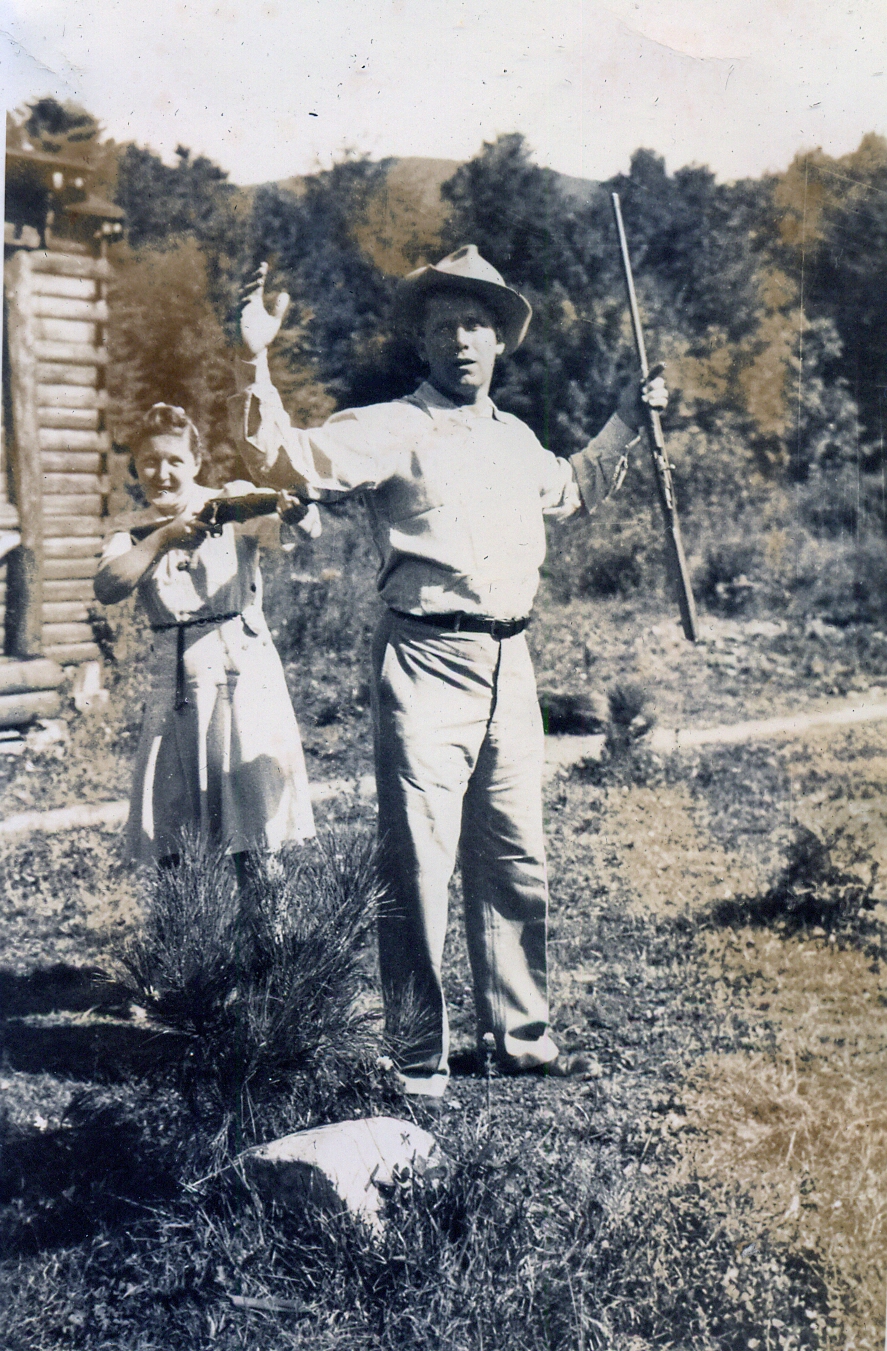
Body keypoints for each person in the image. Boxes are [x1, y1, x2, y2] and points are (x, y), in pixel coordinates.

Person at [231, 247, 668, 1097]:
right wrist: (253, 354)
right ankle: (416, 1058)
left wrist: (624, 418)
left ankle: (522, 1039)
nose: (461, 341)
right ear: (421, 343)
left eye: (476, 325)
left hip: (512, 659)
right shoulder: (393, 427)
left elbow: (572, 487)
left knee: (515, 859)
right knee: (417, 863)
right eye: (443, 327)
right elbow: (281, 460)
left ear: (500, 340)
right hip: (425, 657)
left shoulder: (514, 438)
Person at [94, 401, 319, 872]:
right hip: (172, 689)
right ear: (136, 466)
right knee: (173, 847)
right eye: (149, 461)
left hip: (241, 676)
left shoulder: (230, 501)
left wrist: (291, 507)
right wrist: (164, 539)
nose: (162, 472)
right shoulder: (133, 528)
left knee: (256, 843)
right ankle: (193, 945)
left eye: (175, 460)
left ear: (195, 462)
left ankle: (268, 947)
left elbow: (286, 523)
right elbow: (109, 586)